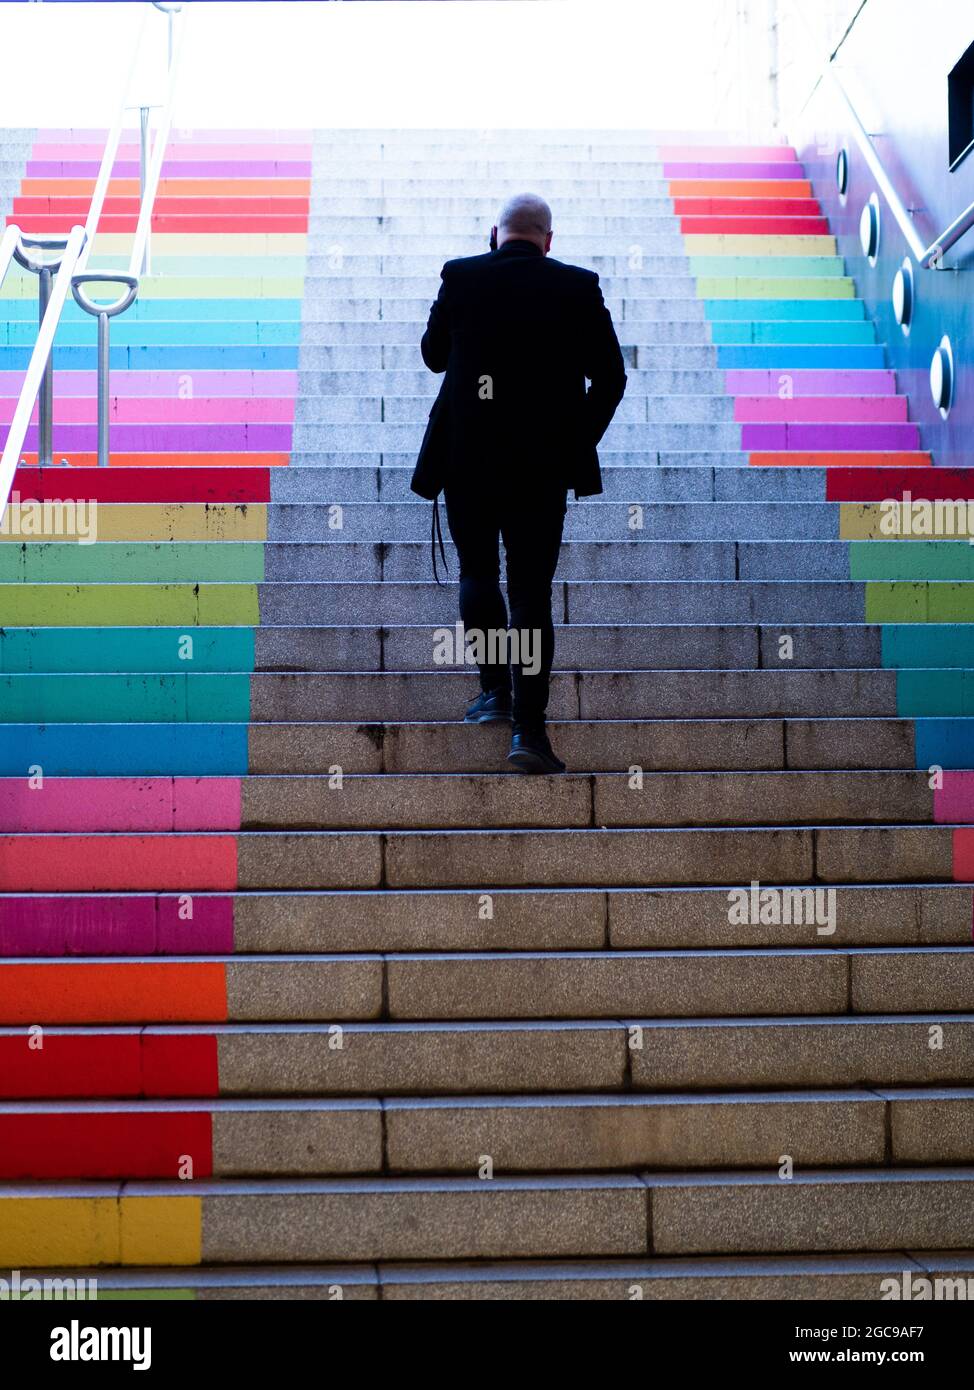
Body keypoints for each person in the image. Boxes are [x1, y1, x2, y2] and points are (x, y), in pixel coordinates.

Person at [412, 192, 627, 773]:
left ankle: (493, 693)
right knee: (530, 591)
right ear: (548, 240)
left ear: (494, 234)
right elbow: (611, 377)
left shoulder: (460, 277)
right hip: (541, 466)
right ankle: (529, 734)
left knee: (479, 573)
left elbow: (433, 356)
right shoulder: (578, 287)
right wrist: (575, 440)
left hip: (467, 459)